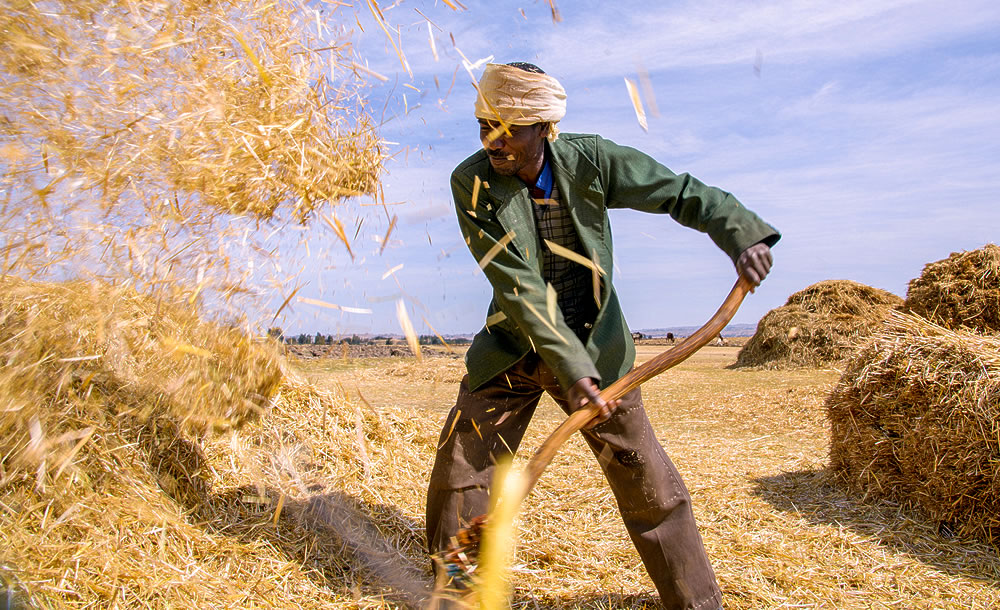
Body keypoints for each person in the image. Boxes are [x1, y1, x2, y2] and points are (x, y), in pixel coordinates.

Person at [426, 61, 779, 609]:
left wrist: (739, 234)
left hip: (596, 348)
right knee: (462, 474)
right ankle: (458, 599)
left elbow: (678, 191)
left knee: (649, 487)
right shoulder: (472, 182)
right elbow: (517, 286)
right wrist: (571, 369)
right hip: (514, 347)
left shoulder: (591, 161)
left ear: (544, 127)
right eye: (483, 126)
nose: (493, 141)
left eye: (508, 128)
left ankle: (697, 603)